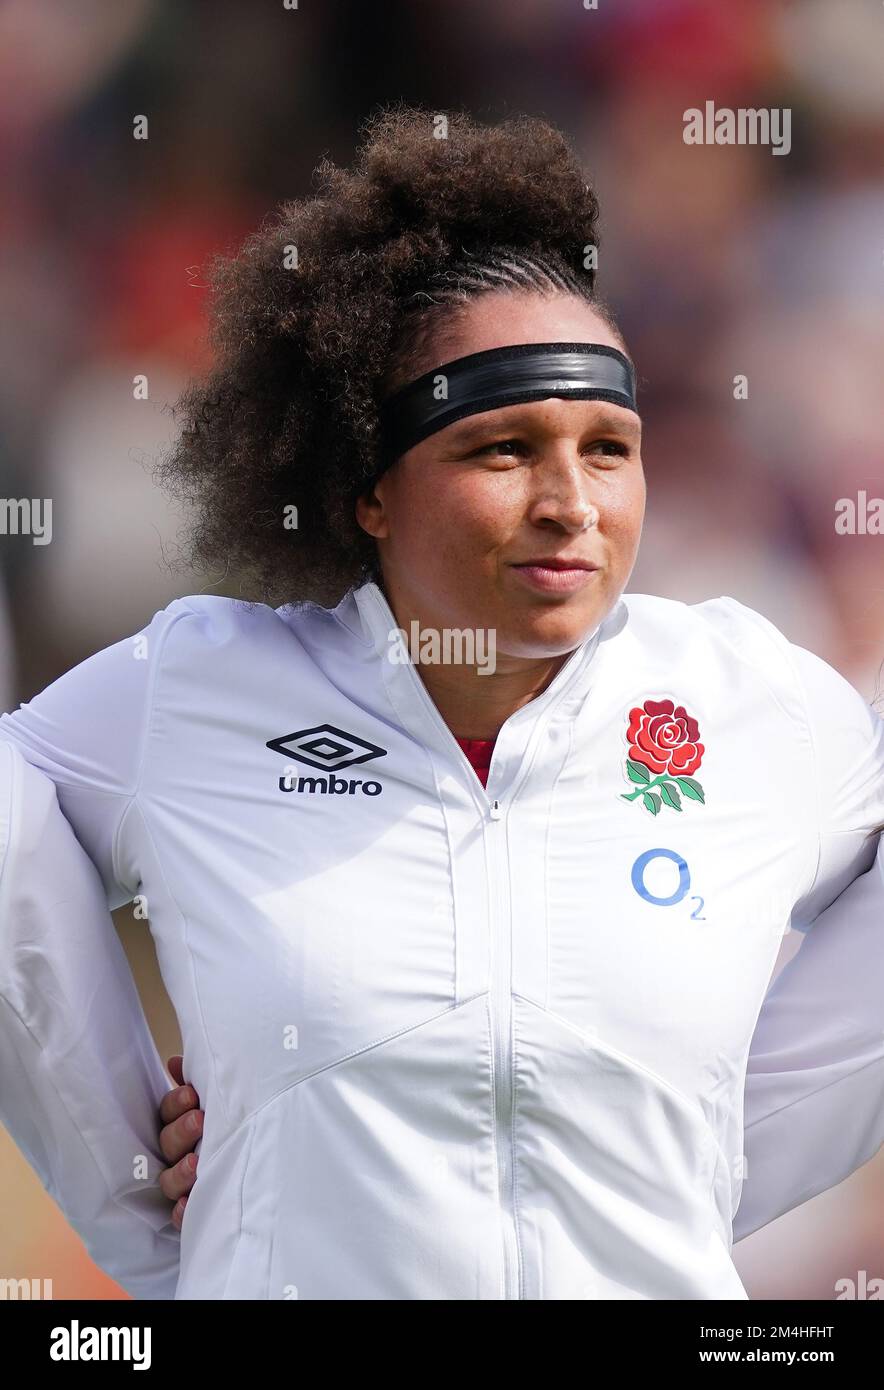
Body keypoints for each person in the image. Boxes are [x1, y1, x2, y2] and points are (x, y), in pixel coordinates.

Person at [1, 104, 883, 1299]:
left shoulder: (753, 700)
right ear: (368, 490)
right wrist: (146, 1203)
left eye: (607, 447)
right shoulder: (194, 688)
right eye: (501, 450)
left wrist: (682, 1153)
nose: (570, 501)